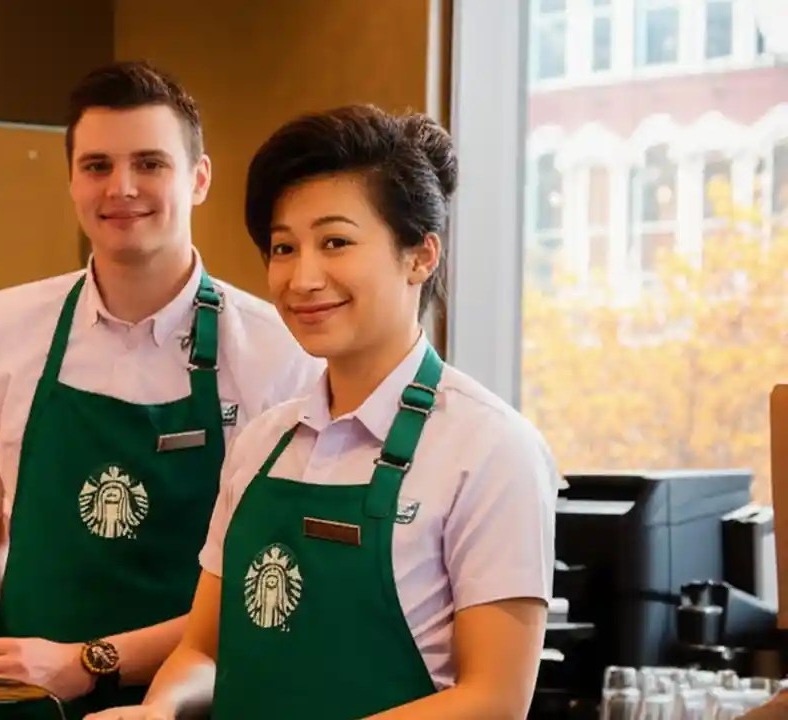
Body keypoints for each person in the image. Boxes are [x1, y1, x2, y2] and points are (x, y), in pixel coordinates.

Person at [87, 104, 562, 720]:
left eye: (335, 242)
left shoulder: (492, 450)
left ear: (421, 255)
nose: (303, 277)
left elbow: (493, 700)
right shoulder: (264, 443)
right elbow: (205, 650)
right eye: (284, 248)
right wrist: (161, 709)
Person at [0, 61, 324, 719]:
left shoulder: (280, 350)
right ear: (72, 180)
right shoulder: (2, 327)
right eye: (98, 166)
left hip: (198, 705)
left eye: (151, 164)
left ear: (198, 179)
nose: (122, 188)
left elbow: (267, 581)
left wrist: (86, 661)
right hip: (28, 700)